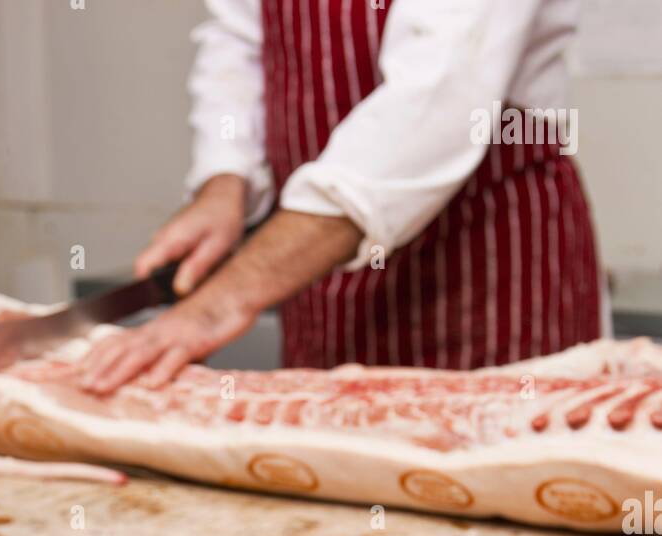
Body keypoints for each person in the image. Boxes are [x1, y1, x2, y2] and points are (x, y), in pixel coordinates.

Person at [81, 0, 601, 395]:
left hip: (486, 267)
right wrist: (225, 175)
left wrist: (221, 303)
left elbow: (437, 97)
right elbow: (238, 37)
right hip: (316, 270)